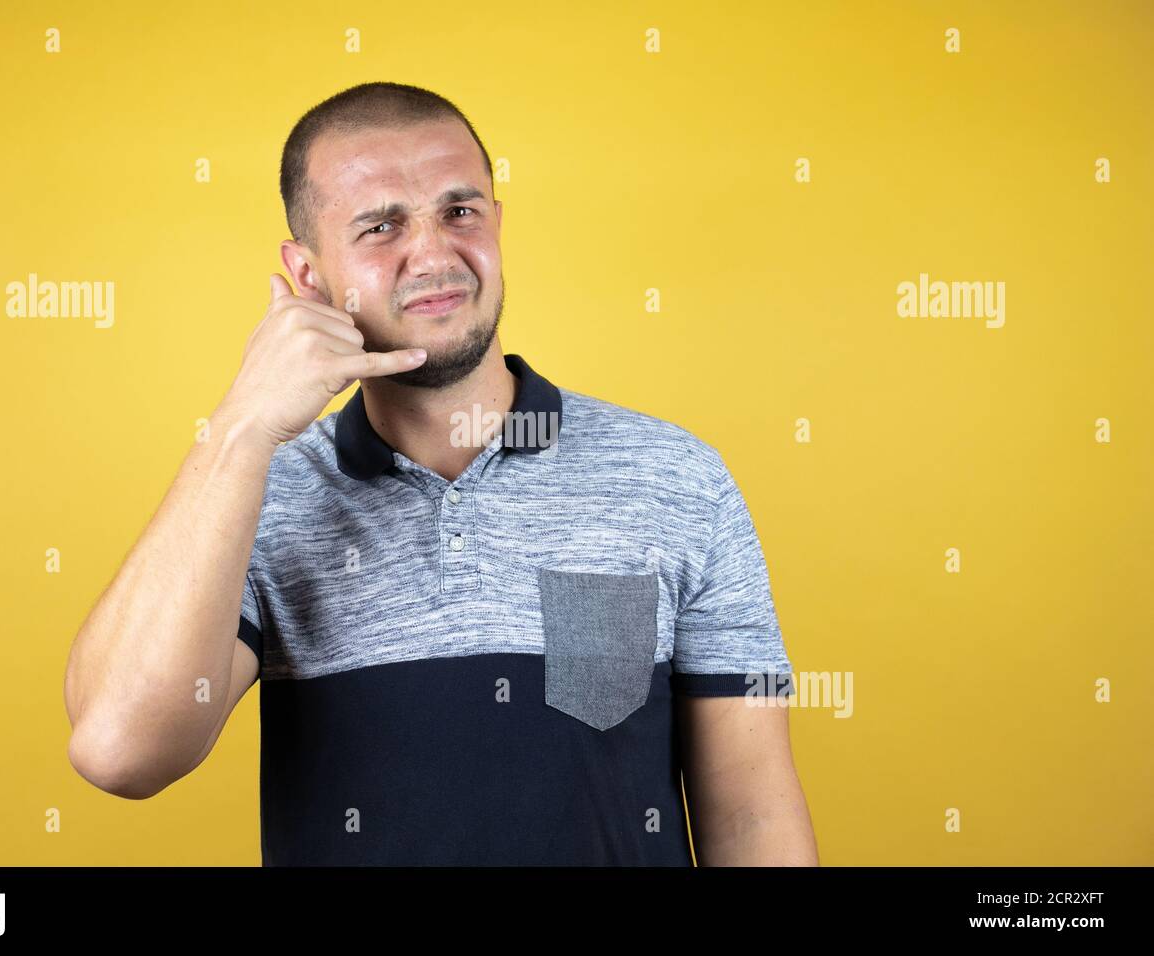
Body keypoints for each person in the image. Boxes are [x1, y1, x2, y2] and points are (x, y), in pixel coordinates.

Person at [63, 81, 818, 866]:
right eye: (381, 225)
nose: (433, 254)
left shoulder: (676, 477)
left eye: (461, 211)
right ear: (308, 276)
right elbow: (121, 751)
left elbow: (754, 818)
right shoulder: (256, 495)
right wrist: (240, 428)